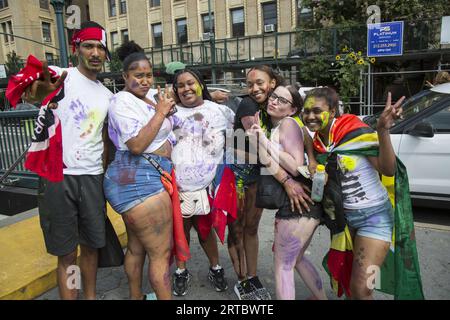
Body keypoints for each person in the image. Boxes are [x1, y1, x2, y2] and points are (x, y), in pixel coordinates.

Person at [302, 87, 423, 300]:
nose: (310, 116)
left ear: (331, 111)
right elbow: (313, 148)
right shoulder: (320, 142)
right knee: (352, 280)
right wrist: (312, 160)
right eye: (306, 111)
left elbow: (388, 170)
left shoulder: (353, 132)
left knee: (362, 287)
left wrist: (382, 131)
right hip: (344, 220)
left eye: (317, 110)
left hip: (374, 217)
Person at [24, 21, 113, 300]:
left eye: (100, 47)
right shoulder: (59, 75)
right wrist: (42, 92)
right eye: (89, 46)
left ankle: (89, 296)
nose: (95, 53)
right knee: (66, 252)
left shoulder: (109, 96)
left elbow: (108, 141)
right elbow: (29, 92)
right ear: (77, 49)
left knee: (90, 247)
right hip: (57, 177)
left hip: (92, 177)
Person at [228, 65, 314, 300]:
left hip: (258, 177)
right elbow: (259, 151)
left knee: (251, 228)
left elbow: (300, 131)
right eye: (249, 84)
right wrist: (287, 181)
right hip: (238, 178)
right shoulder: (248, 106)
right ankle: (243, 281)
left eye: (260, 83)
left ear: (273, 83)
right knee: (237, 228)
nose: (254, 88)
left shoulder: (274, 108)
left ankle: (252, 278)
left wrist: (311, 158)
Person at [104, 41, 176, 300]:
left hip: (138, 177)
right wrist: (160, 112)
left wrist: (165, 109)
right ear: (125, 76)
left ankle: (137, 296)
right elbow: (136, 145)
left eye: (148, 75)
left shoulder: (144, 99)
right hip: (140, 178)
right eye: (138, 76)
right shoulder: (121, 101)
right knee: (160, 254)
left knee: (136, 248)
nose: (145, 80)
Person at [246, 84, 327, 300]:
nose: (274, 101)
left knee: (283, 266)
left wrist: (262, 140)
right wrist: (259, 138)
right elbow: (267, 161)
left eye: (282, 100)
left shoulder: (288, 124)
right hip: (304, 205)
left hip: (298, 205)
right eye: (274, 97)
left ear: (292, 109)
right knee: (296, 259)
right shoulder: (275, 127)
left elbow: (295, 165)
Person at [170, 68, 234, 296]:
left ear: (200, 84)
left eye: (191, 83)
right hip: (177, 187)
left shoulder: (219, 111)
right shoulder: (169, 112)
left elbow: (240, 135)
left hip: (208, 186)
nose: (186, 88)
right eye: (180, 85)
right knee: (181, 231)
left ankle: (215, 267)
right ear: (175, 90)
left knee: (205, 231)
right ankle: (181, 271)